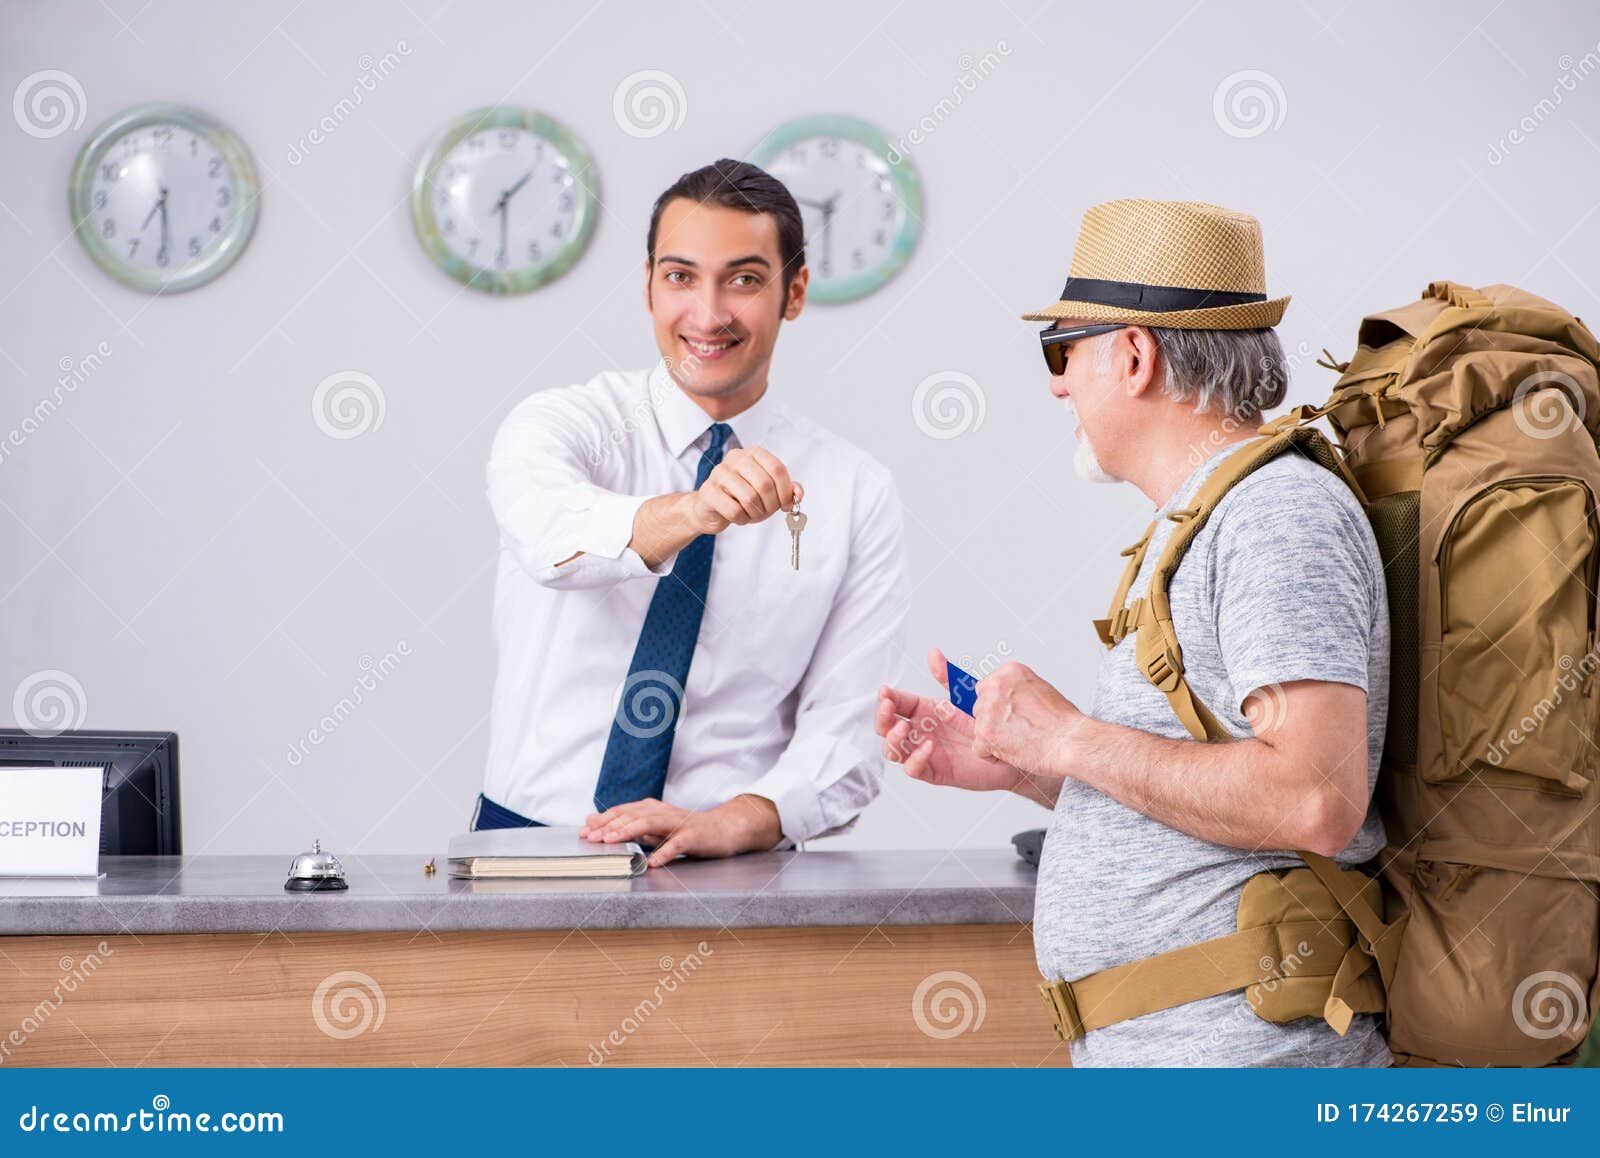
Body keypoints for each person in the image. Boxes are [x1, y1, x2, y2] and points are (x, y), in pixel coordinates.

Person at [874, 199, 1392, 1066]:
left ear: (1136, 353)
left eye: (1063, 352)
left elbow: (1314, 798)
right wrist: (1037, 771)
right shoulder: (1202, 520)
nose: (1056, 384)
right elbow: (1210, 793)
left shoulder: (1275, 514)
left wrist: (1073, 739)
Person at [482, 159, 909, 868]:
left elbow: (849, 731)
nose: (708, 315)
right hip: (526, 846)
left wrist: (738, 822)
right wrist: (694, 511)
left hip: (730, 862)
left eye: (743, 280)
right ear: (648, 286)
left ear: (793, 292)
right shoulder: (561, 425)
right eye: (681, 277)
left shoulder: (855, 490)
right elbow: (548, 541)